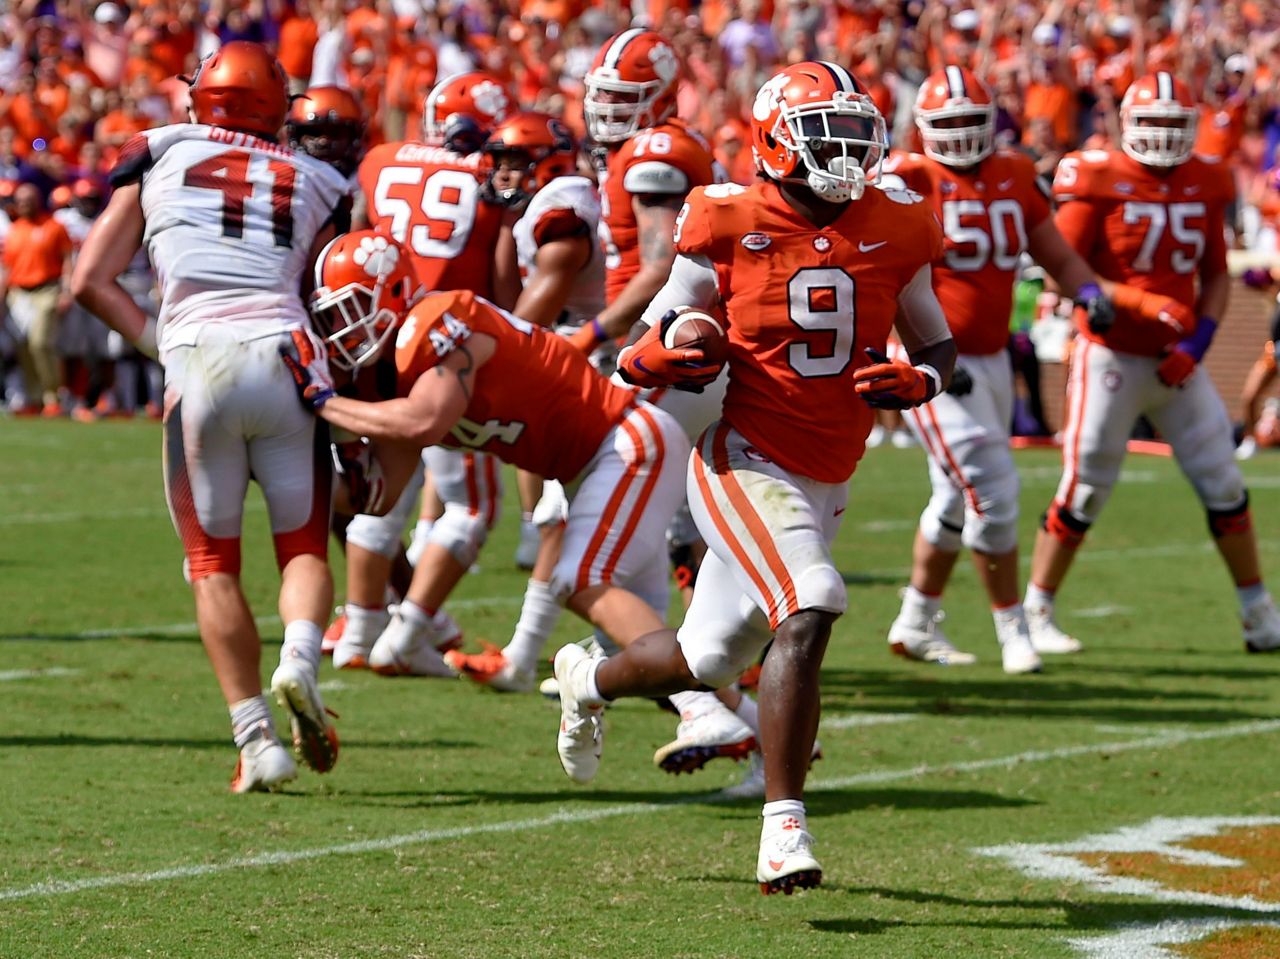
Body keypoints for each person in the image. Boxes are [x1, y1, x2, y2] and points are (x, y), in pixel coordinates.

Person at [549, 62, 955, 894]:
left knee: (705, 656)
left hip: (827, 472)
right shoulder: (725, 216)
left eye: (853, 136)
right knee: (812, 602)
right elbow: (650, 338)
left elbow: (937, 342)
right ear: (774, 141)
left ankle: (584, 677)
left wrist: (924, 381)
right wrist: (659, 353)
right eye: (824, 137)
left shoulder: (901, 221)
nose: (844, 155)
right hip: (743, 459)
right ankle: (784, 829)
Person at [71, 41, 352, 793]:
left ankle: (257, 738)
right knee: (302, 547)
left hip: (200, 356)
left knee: (212, 563)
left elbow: (89, 280)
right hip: (288, 355)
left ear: (206, 97)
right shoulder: (322, 178)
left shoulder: (160, 150)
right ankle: (299, 658)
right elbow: (333, 294)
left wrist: (162, 348)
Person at [280, 233, 693, 711]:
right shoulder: (386, 371)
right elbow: (375, 496)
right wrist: (324, 451)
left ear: (391, 292)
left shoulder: (435, 324)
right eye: (330, 317)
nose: (340, 330)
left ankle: (697, 704)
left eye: (350, 310)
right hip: (586, 464)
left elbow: (424, 419)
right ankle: (729, 716)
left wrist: (329, 404)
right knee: (631, 631)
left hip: (621, 441)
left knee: (580, 581)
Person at [1026, 72, 1280, 654]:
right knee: (1085, 485)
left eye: (1175, 124)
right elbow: (1061, 267)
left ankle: (1258, 613)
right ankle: (1037, 607)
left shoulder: (1209, 178)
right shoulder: (1095, 173)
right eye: (1153, 123)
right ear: (1126, 126)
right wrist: (1141, 301)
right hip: (1109, 354)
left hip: (1176, 361)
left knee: (1224, 480)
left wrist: (1196, 346)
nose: (1164, 136)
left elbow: (1216, 273)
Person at [880, 67, 1115, 673]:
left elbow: (1050, 246)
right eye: (948, 123)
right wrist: (916, 350)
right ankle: (1013, 628)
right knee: (993, 489)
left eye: (969, 122)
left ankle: (913, 620)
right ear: (924, 129)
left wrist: (1088, 290)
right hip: (931, 359)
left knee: (954, 500)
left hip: (988, 357)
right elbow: (877, 278)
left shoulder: (1012, 173)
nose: (959, 135)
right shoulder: (905, 178)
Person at [335, 71, 515, 674]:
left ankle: (360, 629)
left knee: (384, 491)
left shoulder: (382, 159)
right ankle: (405, 634)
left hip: (380, 334)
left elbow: (360, 237)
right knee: (469, 506)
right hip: (447, 340)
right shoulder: (488, 177)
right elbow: (502, 281)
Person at [443, 110, 605, 693]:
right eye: (502, 160)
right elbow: (517, 303)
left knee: (569, 518)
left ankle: (703, 668)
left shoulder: (561, 209)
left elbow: (523, 323)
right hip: (594, 364)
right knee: (578, 520)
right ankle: (635, 653)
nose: (506, 173)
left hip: (611, 368)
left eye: (519, 161)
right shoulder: (536, 210)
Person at [0, 182, 73, 416]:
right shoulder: (14, 230)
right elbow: (7, 267)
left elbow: (68, 261)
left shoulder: (54, 226)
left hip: (46, 289)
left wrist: (67, 290)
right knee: (22, 346)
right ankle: (34, 397)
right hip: (19, 292)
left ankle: (53, 395)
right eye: (20, 201)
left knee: (40, 342)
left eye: (28, 201)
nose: (23, 205)